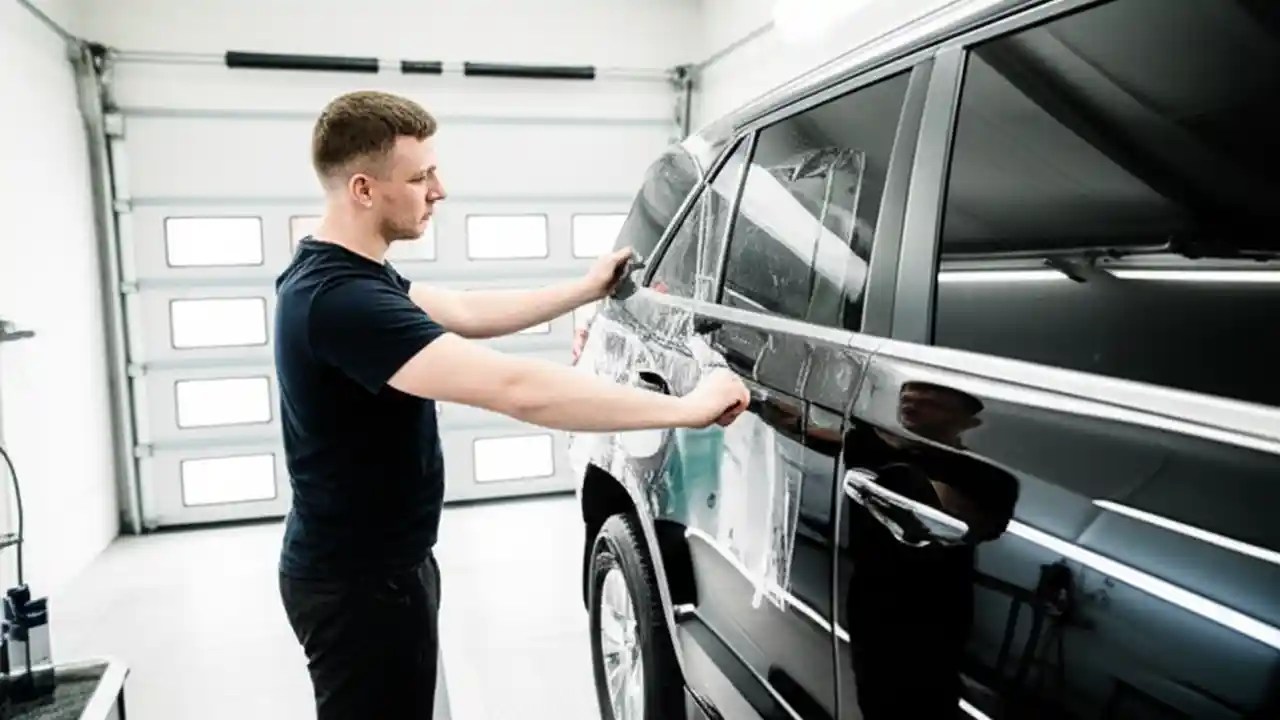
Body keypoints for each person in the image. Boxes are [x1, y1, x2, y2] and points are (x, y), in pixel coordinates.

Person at [273, 90, 750, 719]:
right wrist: (688, 409)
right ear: (363, 189)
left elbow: (466, 311)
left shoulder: (348, 273)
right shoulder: (340, 302)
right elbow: (516, 389)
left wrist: (584, 288)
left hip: (378, 567)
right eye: (419, 177)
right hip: (358, 587)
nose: (439, 190)